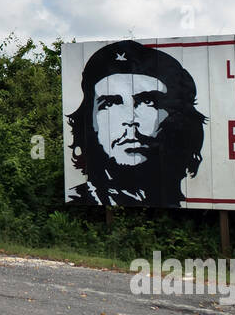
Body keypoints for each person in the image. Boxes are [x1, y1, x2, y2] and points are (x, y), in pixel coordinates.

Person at [66, 39, 207, 207]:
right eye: (110, 103)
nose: (130, 120)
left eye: (148, 101)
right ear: (89, 120)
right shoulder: (76, 200)